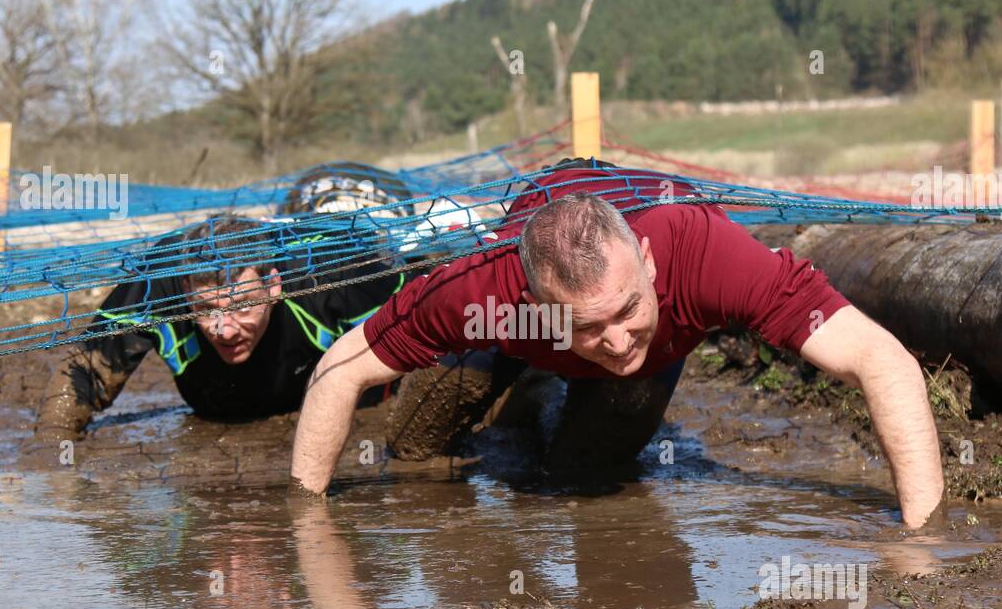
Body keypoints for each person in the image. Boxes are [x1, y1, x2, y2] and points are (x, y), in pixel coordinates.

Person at [288, 159, 946, 528]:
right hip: (510, 333)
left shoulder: (709, 257)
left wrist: (920, 543)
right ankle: (510, 370)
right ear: (535, 298)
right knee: (416, 450)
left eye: (627, 310)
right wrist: (305, 525)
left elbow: (879, 359)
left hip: (625, 352)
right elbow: (340, 369)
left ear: (651, 268)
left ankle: (538, 396)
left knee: (585, 477)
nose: (615, 340)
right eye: (587, 327)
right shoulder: (482, 290)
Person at [34, 211, 405, 442]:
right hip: (215, 405)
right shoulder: (160, 277)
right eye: (205, 308)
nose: (223, 330)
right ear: (184, 290)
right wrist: (52, 448)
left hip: (352, 405)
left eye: (242, 306)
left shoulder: (333, 271)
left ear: (273, 286)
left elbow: (428, 325)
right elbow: (86, 369)